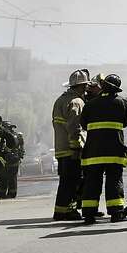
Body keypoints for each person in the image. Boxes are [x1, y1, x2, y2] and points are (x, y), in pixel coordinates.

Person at [78, 73, 127, 223]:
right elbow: (126, 122)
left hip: (93, 151)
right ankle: (116, 212)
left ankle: (88, 214)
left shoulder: (91, 104)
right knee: (114, 181)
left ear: (103, 85)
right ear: (117, 89)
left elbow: (84, 124)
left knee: (92, 182)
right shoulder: (122, 103)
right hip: (114, 151)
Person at [52, 70, 91, 221]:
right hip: (71, 150)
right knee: (73, 181)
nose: (86, 89)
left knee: (65, 181)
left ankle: (60, 210)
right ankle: (68, 211)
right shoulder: (77, 102)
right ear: (80, 86)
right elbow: (75, 128)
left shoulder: (60, 100)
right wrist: (76, 148)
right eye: (85, 86)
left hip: (61, 148)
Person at [0, 121, 25, 199]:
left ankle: (2, 193)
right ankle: (11, 193)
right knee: (12, 178)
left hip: (6, 160)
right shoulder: (18, 136)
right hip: (15, 160)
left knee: (3, 177)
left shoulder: (4, 136)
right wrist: (20, 156)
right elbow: (22, 148)